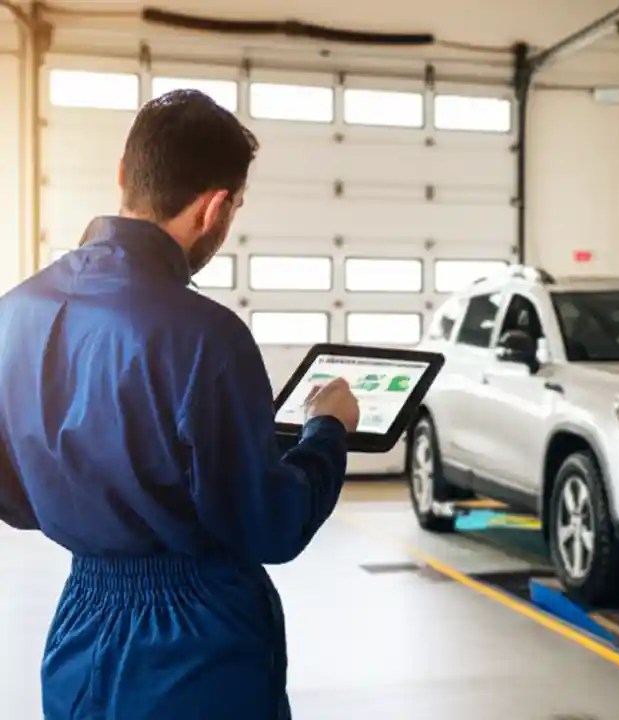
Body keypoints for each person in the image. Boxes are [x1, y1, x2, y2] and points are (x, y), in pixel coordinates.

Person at [0, 90, 359, 719]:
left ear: (123, 176)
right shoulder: (205, 336)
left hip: (80, 626)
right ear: (216, 207)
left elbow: (17, 491)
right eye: (235, 207)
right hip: (197, 642)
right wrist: (328, 431)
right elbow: (270, 523)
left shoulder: (13, 313)